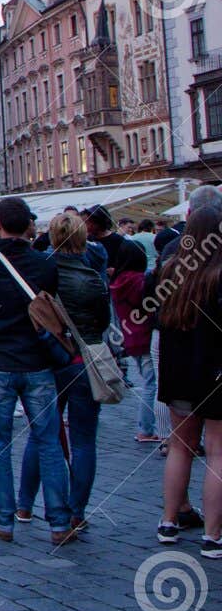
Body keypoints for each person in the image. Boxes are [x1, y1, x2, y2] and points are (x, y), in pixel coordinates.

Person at [0, 197, 75, 545]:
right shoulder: (45, 265)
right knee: (49, 442)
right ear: (28, 225)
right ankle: (59, 523)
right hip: (38, 363)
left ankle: (3, 520)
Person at [17, 213, 107, 538]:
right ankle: (76, 513)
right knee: (84, 440)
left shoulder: (41, 273)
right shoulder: (93, 278)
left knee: (40, 434)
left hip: (47, 362)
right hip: (83, 361)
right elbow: (102, 322)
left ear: (52, 238)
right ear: (83, 238)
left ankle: (24, 504)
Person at [153, 207, 222, 556]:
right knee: (217, 452)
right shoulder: (219, 274)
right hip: (213, 372)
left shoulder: (170, 271)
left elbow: (157, 321)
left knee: (180, 447)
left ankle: (169, 521)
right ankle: (212, 535)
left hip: (178, 373)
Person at [110, 243, 159, 443]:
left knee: (149, 381)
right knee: (151, 384)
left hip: (131, 336)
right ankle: (146, 429)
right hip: (145, 335)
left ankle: (146, 428)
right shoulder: (138, 281)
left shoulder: (119, 280)